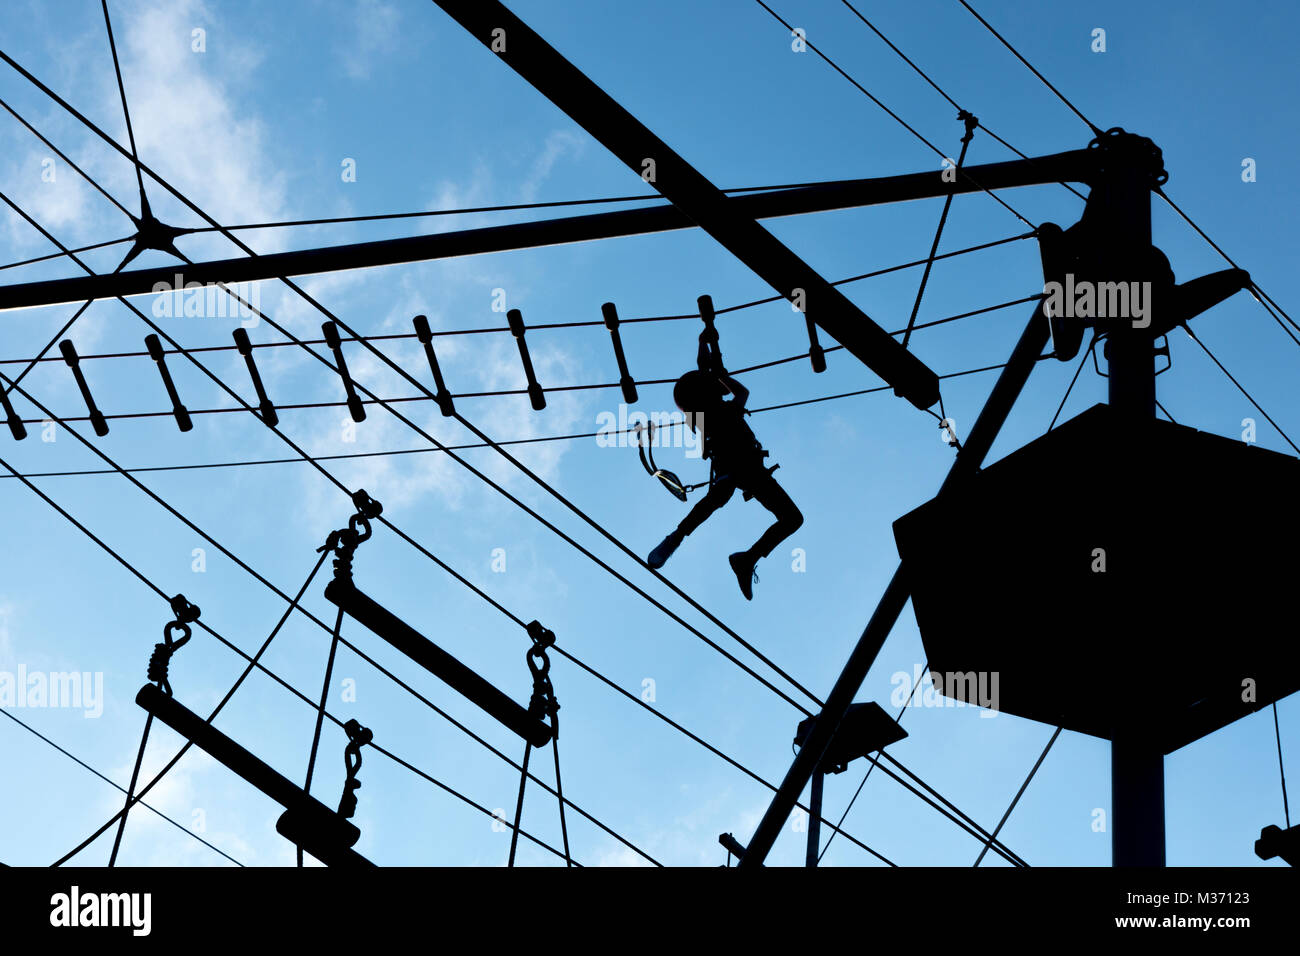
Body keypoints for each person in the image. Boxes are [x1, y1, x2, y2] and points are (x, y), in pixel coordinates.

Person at [646, 328, 803, 599]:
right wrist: (719, 373)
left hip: (737, 471)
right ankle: (740, 556)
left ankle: (694, 544)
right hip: (743, 469)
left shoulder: (698, 417)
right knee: (789, 518)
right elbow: (739, 391)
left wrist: (702, 344)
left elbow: (702, 373)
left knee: (717, 501)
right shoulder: (719, 411)